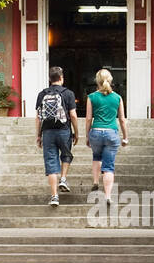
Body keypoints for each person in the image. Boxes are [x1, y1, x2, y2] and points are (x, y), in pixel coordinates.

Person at [84, 68, 128, 214]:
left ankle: (96, 182)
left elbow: (89, 118)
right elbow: (122, 119)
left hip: (96, 132)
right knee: (108, 166)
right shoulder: (117, 98)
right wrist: (125, 137)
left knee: (96, 156)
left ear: (96, 81)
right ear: (111, 80)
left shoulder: (91, 97)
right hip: (111, 133)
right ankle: (108, 196)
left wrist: (86, 135)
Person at [34, 66, 78, 207]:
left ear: (49, 79)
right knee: (66, 155)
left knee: (51, 163)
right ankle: (63, 178)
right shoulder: (68, 93)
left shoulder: (42, 94)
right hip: (64, 130)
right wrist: (76, 132)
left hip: (47, 132)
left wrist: (38, 135)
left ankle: (54, 197)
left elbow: (38, 118)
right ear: (61, 78)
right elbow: (73, 115)